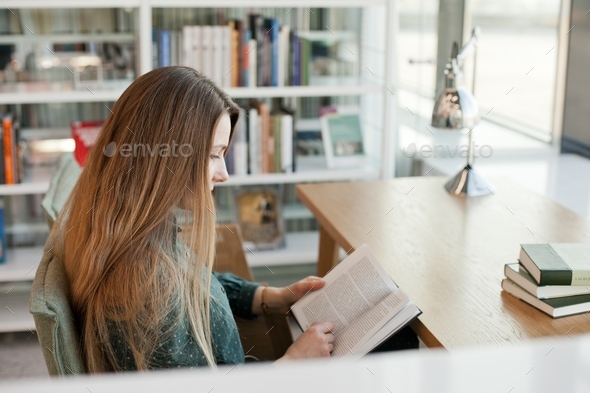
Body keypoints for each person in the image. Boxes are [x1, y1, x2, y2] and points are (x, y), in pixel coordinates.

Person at [49, 66, 335, 373]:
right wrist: (292, 364)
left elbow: (196, 282)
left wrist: (269, 297)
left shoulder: (134, 228)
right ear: (163, 159)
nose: (224, 174)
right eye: (214, 155)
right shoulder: (147, 291)